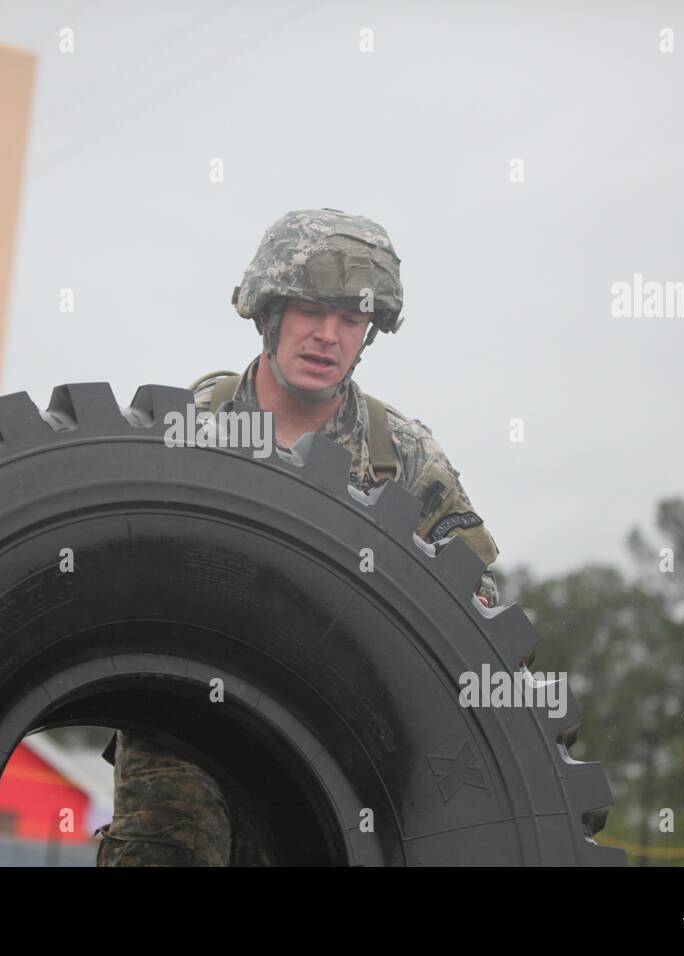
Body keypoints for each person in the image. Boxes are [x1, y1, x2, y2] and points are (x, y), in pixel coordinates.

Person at [96, 208, 501, 866]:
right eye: (312, 310)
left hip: (324, 728)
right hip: (182, 714)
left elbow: (472, 609)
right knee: (168, 852)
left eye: (350, 319)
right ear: (269, 312)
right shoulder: (191, 426)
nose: (327, 337)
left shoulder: (402, 458)